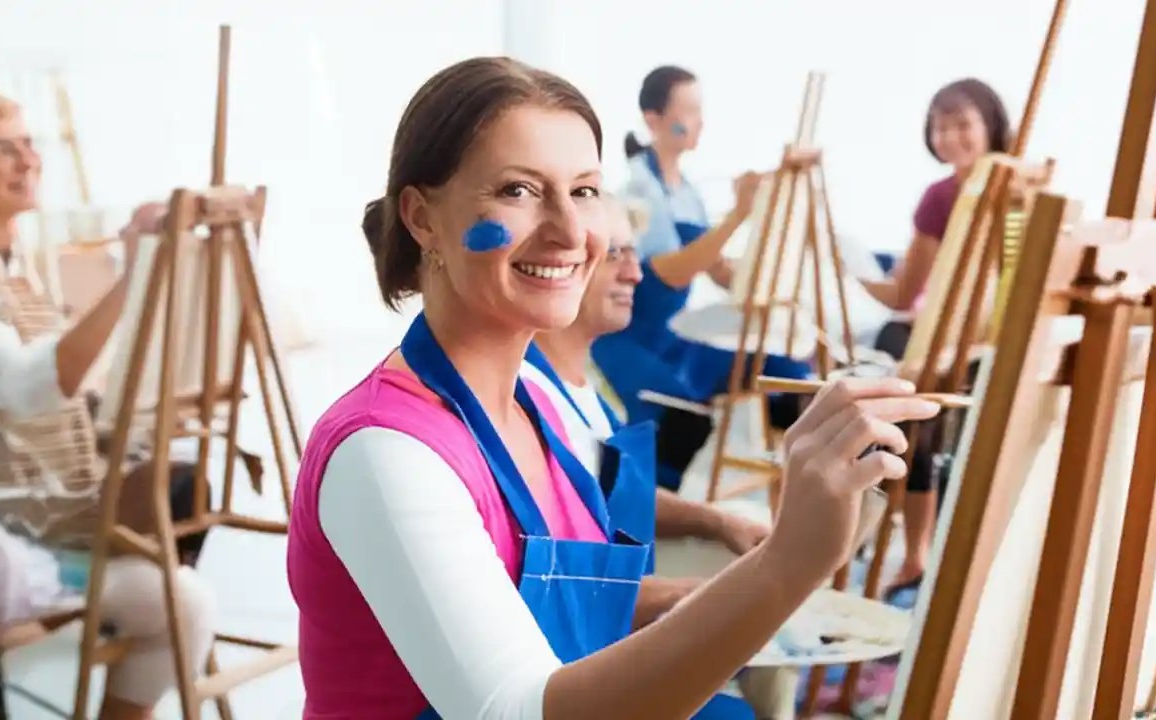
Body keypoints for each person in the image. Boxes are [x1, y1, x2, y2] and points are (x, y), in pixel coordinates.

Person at [286, 56, 940, 719]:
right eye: (518, 190)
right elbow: (517, 711)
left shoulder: (539, 408)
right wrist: (790, 560)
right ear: (423, 219)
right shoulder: (386, 452)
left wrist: (749, 574)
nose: (571, 232)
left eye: (585, 190)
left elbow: (570, 612)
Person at [0, 87, 215, 720]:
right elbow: (17, 382)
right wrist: (131, 274)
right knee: (182, 604)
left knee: (184, 531)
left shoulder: (22, 261)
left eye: (29, 143)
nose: (27, 160)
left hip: (44, 508)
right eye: (2, 147)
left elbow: (74, 387)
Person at [521, 193, 770, 632]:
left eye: (634, 254)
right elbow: (553, 589)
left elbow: (617, 494)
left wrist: (720, 523)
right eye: (615, 253)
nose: (635, 273)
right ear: (558, 265)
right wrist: (696, 597)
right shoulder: (526, 405)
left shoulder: (592, 395)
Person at [591, 65, 809, 451]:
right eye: (688, 110)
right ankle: (654, 507)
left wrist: (774, 244)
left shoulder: (689, 192)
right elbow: (670, 273)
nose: (699, 122)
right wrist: (739, 214)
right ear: (653, 119)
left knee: (786, 372)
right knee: (681, 427)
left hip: (672, 337)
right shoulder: (639, 189)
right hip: (630, 337)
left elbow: (720, 272)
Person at [859, 78, 1011, 597]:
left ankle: (932, 553)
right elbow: (906, 291)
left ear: (990, 125)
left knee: (921, 401)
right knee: (908, 397)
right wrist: (847, 270)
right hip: (933, 332)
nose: (949, 136)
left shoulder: (1022, 191)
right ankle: (915, 555)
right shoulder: (939, 197)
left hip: (991, 339)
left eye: (961, 123)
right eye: (940, 126)